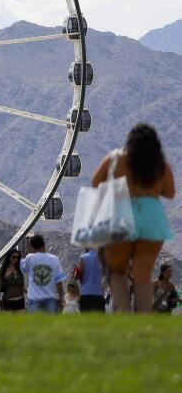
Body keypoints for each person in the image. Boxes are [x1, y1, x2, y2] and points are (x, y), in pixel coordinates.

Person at [92, 123, 175, 313]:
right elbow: (170, 192)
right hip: (152, 219)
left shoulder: (115, 158)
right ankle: (143, 319)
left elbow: (96, 181)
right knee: (143, 277)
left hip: (121, 215)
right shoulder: (161, 166)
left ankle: (123, 311)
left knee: (118, 272)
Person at [20, 234, 65, 314]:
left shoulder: (30, 258)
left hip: (34, 300)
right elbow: (59, 282)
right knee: (50, 325)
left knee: (35, 325)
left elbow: (20, 267)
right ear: (44, 244)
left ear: (32, 247)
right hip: (50, 299)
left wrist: (27, 251)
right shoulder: (54, 259)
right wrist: (61, 298)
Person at [73, 246, 106, 313]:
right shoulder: (101, 258)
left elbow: (76, 276)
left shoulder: (84, 258)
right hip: (99, 295)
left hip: (86, 295)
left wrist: (76, 271)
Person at [0, 248, 26, 312]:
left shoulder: (19, 270)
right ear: (9, 257)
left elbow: (23, 286)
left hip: (20, 301)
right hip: (8, 301)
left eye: (18, 258)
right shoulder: (4, 270)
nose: (16, 259)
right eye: (13, 257)